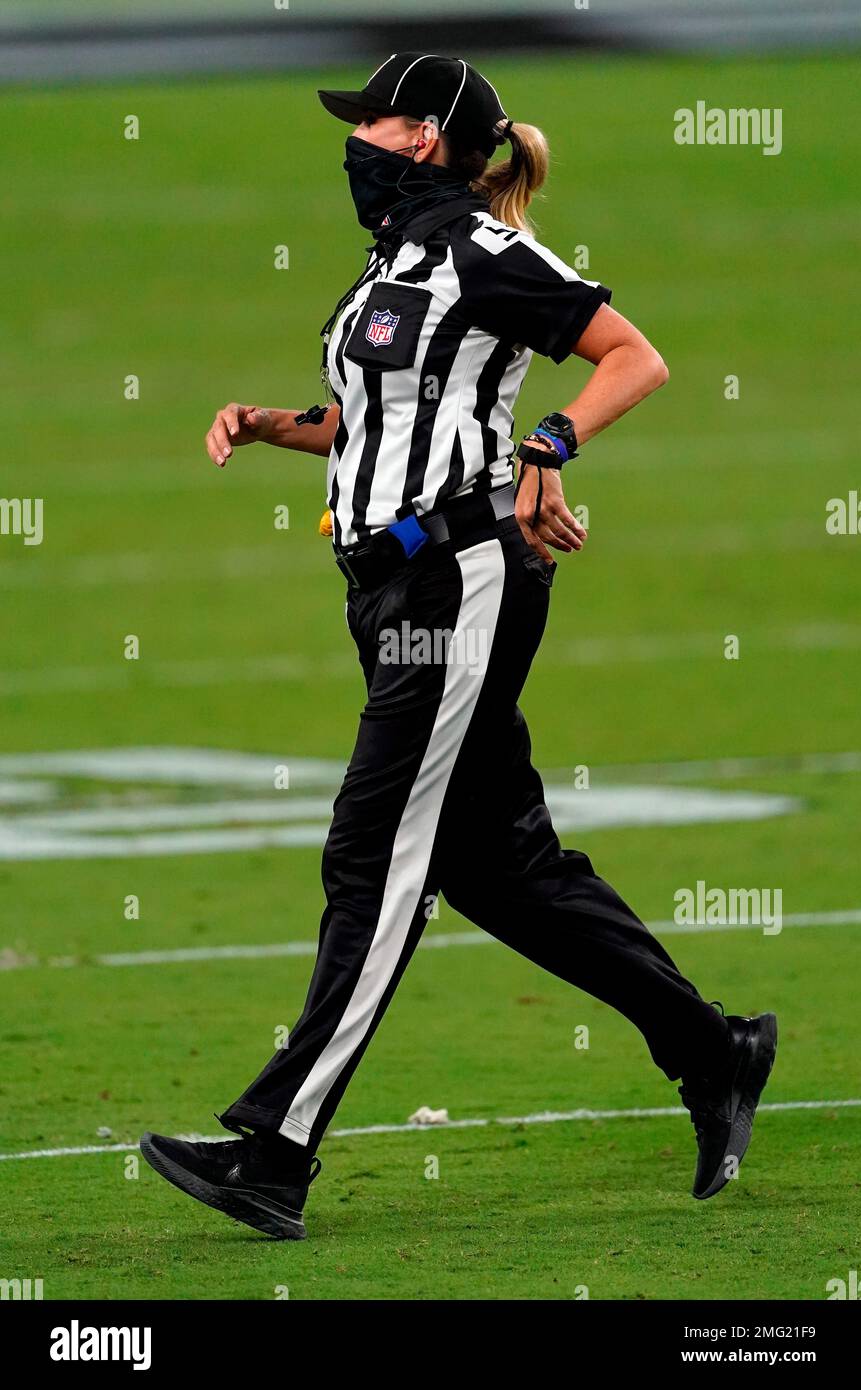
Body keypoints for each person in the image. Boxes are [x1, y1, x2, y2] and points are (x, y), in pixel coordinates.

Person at [141, 53, 777, 1240]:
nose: (354, 143)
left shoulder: (485, 252)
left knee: (370, 851)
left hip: (456, 581)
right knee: (499, 867)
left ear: (423, 136)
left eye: (369, 121)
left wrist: (549, 446)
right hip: (389, 585)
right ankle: (714, 1049)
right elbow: (384, 416)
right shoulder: (393, 266)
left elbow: (631, 356)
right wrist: (276, 424)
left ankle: (274, 1149)